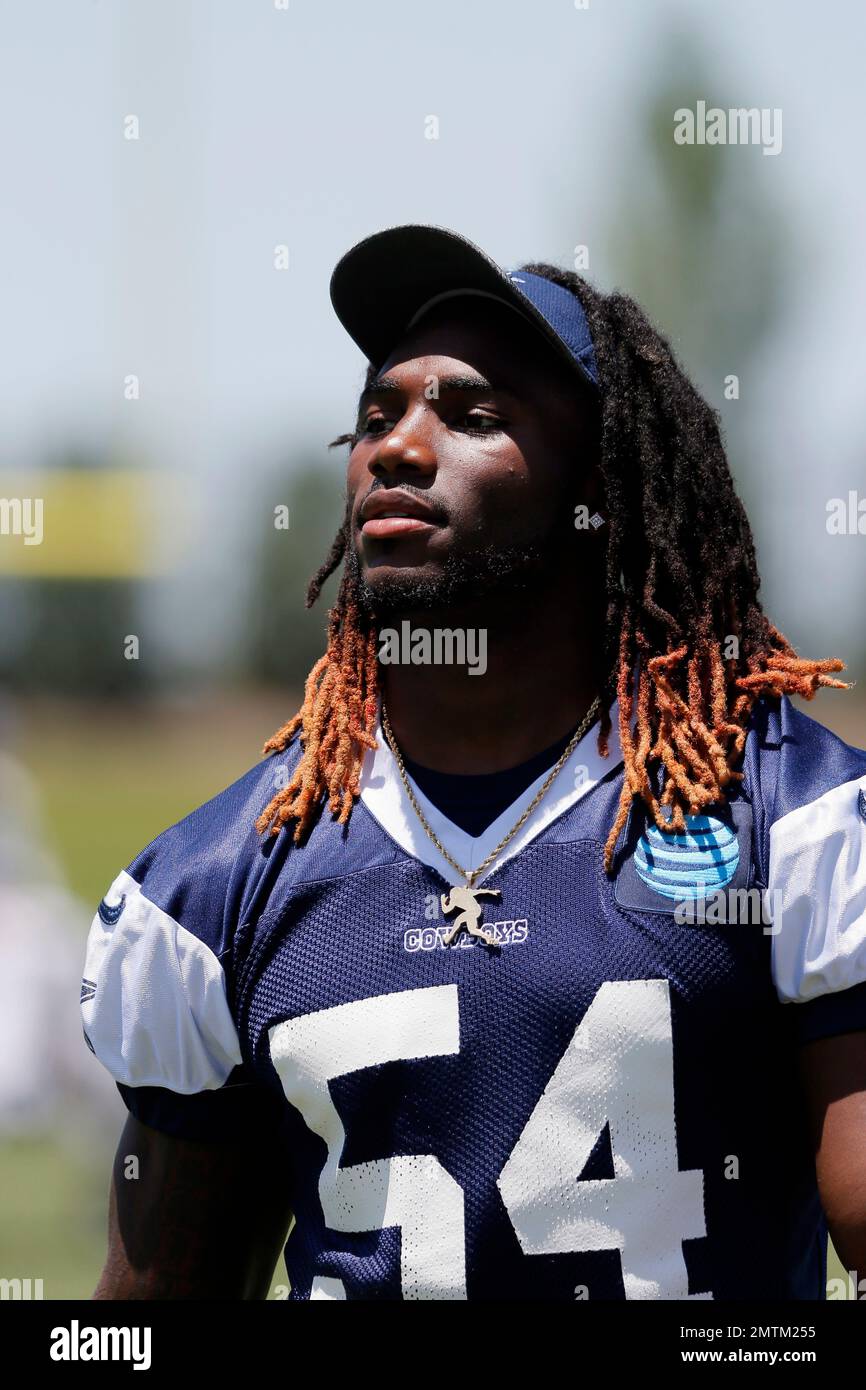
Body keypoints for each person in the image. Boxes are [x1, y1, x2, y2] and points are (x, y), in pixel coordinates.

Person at [82, 224, 866, 1301]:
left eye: (470, 415)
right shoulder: (223, 880)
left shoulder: (793, 821)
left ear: (601, 476)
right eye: (374, 416)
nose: (398, 447)